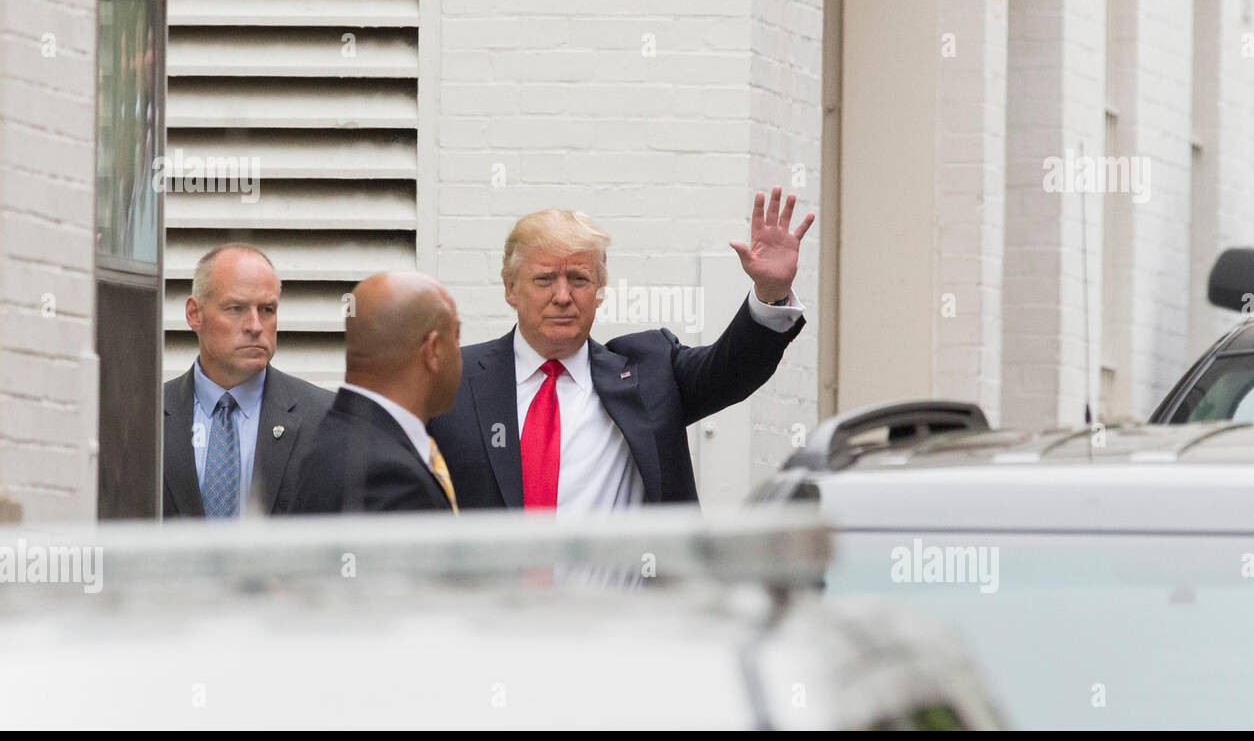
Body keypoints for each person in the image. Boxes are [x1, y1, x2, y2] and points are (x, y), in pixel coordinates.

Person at [427, 187, 814, 513]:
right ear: (510, 287)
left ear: (600, 289)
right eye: (544, 279)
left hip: (624, 604)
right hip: (487, 603)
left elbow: (732, 370)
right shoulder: (451, 379)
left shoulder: (650, 372)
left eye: (579, 279)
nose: (562, 296)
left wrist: (770, 294)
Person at [163, 244, 333, 519]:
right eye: (236, 308)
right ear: (195, 314)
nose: (255, 326)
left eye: (267, 310)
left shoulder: (325, 418)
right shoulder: (147, 417)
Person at [288, 271, 462, 515]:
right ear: (433, 350)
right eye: (456, 338)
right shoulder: (389, 476)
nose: (460, 354)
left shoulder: (335, 436)